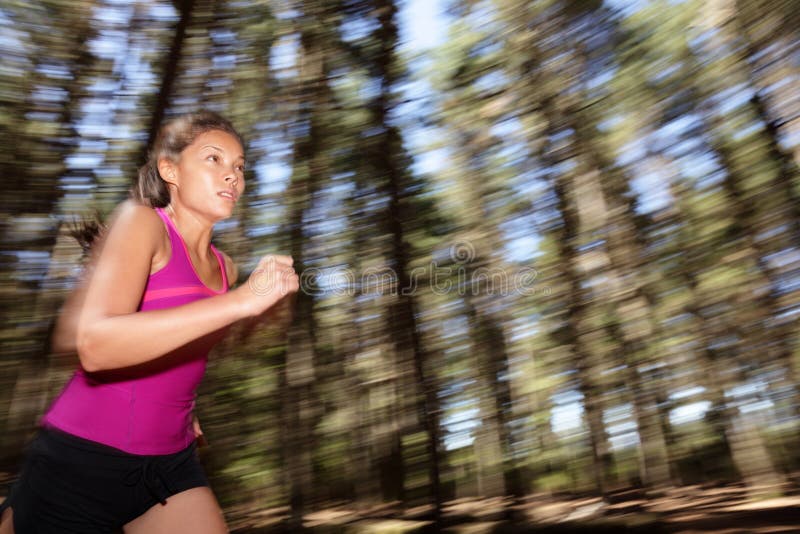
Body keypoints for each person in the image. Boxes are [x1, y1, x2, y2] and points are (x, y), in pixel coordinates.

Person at [0, 110, 299, 533]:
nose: (232, 176)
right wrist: (242, 303)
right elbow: (95, 346)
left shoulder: (226, 268)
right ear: (169, 170)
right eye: (214, 159)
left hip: (169, 464)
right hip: (82, 460)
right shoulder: (142, 223)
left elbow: (182, 345)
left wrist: (181, 408)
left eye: (239, 167)